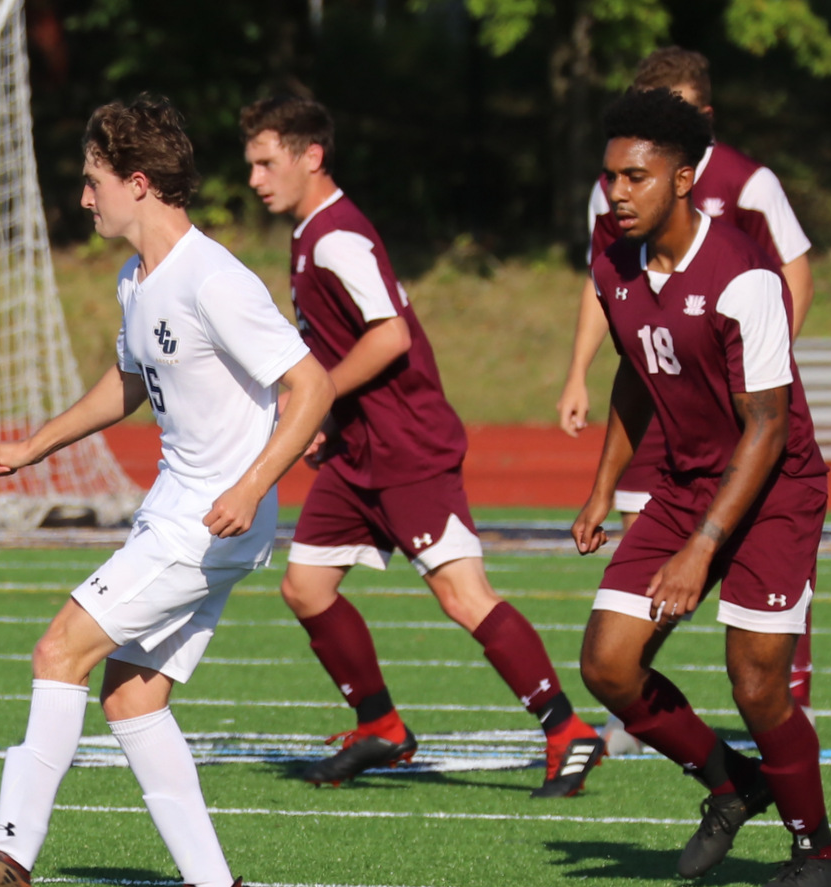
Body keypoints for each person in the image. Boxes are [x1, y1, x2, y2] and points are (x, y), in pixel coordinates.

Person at [0, 96, 334, 887]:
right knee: (131, 700)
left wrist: (252, 483)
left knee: (58, 649)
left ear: (138, 183)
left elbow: (312, 385)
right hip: (179, 512)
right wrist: (39, 443)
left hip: (209, 521)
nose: (85, 199)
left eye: (93, 181)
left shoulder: (214, 279)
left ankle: (11, 858)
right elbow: (129, 384)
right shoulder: (137, 280)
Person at [240, 96, 605, 795]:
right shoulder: (310, 234)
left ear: (310, 155)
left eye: (266, 162)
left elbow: (390, 335)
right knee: (305, 587)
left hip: (407, 446)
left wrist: (319, 398)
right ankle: (380, 726)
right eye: (251, 164)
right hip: (359, 450)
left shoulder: (338, 236)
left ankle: (567, 730)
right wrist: (329, 420)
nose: (256, 179)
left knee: (464, 596)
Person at [573, 88, 831, 887]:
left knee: (756, 681)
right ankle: (733, 784)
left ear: (683, 178)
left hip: (774, 488)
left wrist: (701, 548)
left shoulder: (744, 278)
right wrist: (602, 487)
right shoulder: (612, 260)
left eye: (636, 177)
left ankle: (819, 851)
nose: (617, 193)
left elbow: (766, 426)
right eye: (610, 176)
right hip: (687, 481)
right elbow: (633, 365)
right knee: (608, 666)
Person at [556, 47, 819, 721]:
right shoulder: (616, 188)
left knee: (753, 571)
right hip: (661, 396)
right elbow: (610, 293)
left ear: (700, 122)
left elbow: (793, 269)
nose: (619, 188)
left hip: (735, 394)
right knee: (640, 573)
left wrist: (758, 355)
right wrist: (578, 370)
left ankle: (787, 691)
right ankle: (633, 683)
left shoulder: (749, 182)